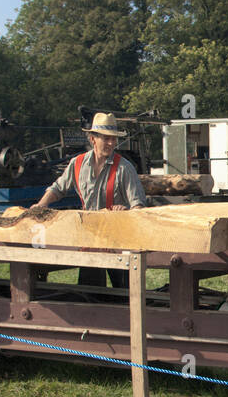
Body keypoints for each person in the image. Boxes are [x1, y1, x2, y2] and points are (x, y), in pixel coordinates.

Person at [35, 112, 147, 289]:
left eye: (113, 139)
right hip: (89, 238)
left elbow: (139, 207)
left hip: (118, 240)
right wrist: (42, 205)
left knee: (126, 292)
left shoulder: (125, 168)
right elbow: (58, 189)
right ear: (93, 139)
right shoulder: (77, 164)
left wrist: (125, 212)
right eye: (106, 139)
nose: (111, 143)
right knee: (91, 291)